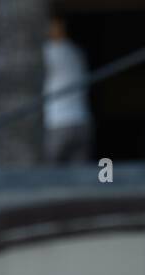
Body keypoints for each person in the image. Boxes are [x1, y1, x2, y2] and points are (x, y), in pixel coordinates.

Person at [43, 14, 92, 164]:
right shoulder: (77, 52)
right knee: (79, 178)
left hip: (57, 121)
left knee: (49, 175)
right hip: (82, 120)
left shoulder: (47, 52)